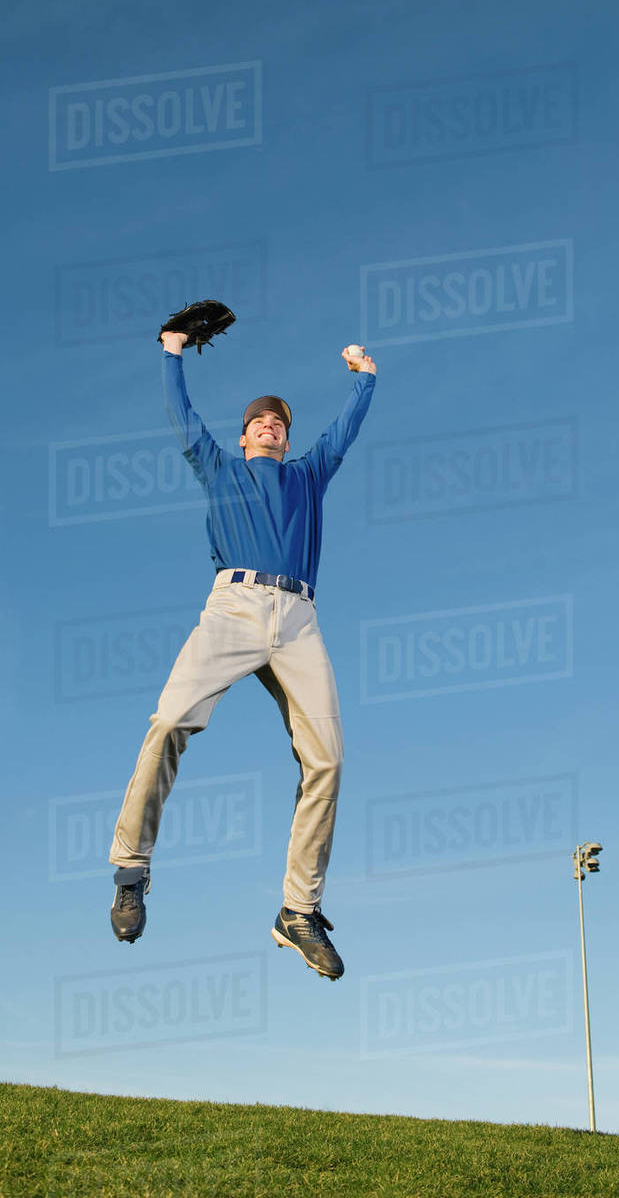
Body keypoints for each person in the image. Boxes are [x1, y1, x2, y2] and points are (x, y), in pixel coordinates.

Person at [108, 329, 377, 979]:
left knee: (329, 759)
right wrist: (171, 352)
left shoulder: (309, 476)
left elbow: (344, 431)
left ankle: (298, 911)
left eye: (279, 422)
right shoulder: (219, 468)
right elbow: (183, 416)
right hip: (231, 609)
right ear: (243, 438)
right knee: (169, 722)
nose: (269, 427)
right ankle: (130, 868)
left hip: (299, 618)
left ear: (287, 437)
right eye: (258, 421)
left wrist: (364, 377)